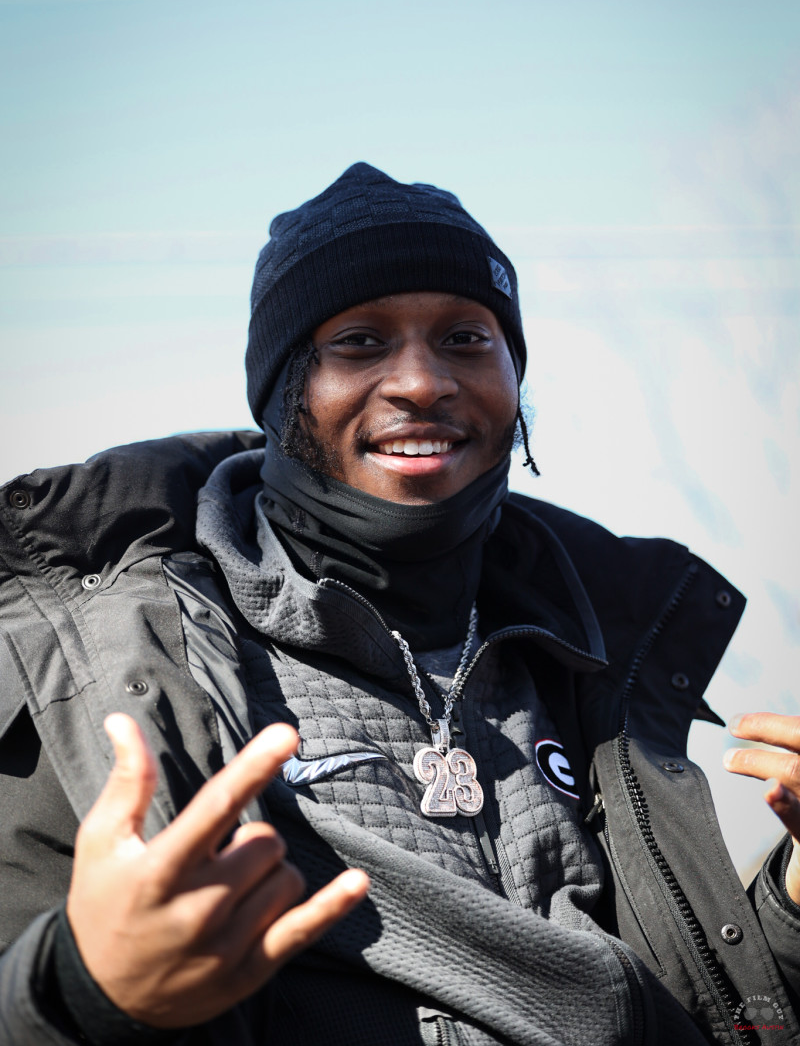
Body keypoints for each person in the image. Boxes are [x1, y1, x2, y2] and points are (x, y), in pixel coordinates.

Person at [0, 161, 798, 1046]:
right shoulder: (91, 657)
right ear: (281, 389)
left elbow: (705, 1013)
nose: (421, 381)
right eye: (359, 341)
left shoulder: (594, 643)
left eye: (465, 337)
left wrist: (796, 901)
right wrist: (83, 991)